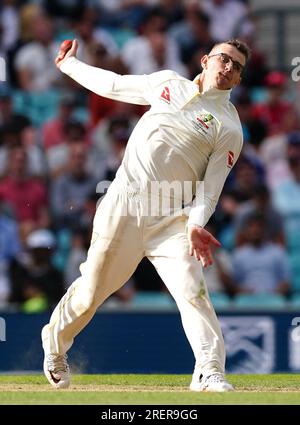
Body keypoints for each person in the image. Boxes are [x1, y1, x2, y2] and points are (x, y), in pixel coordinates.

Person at [41, 37, 250, 392]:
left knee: (193, 291)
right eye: (224, 60)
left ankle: (209, 370)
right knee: (91, 291)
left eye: (237, 67)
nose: (229, 68)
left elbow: (211, 189)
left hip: (172, 219)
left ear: (239, 80)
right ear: (205, 60)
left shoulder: (229, 127)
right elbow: (114, 85)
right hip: (124, 203)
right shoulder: (168, 83)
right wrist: (70, 65)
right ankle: (55, 346)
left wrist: (196, 224)